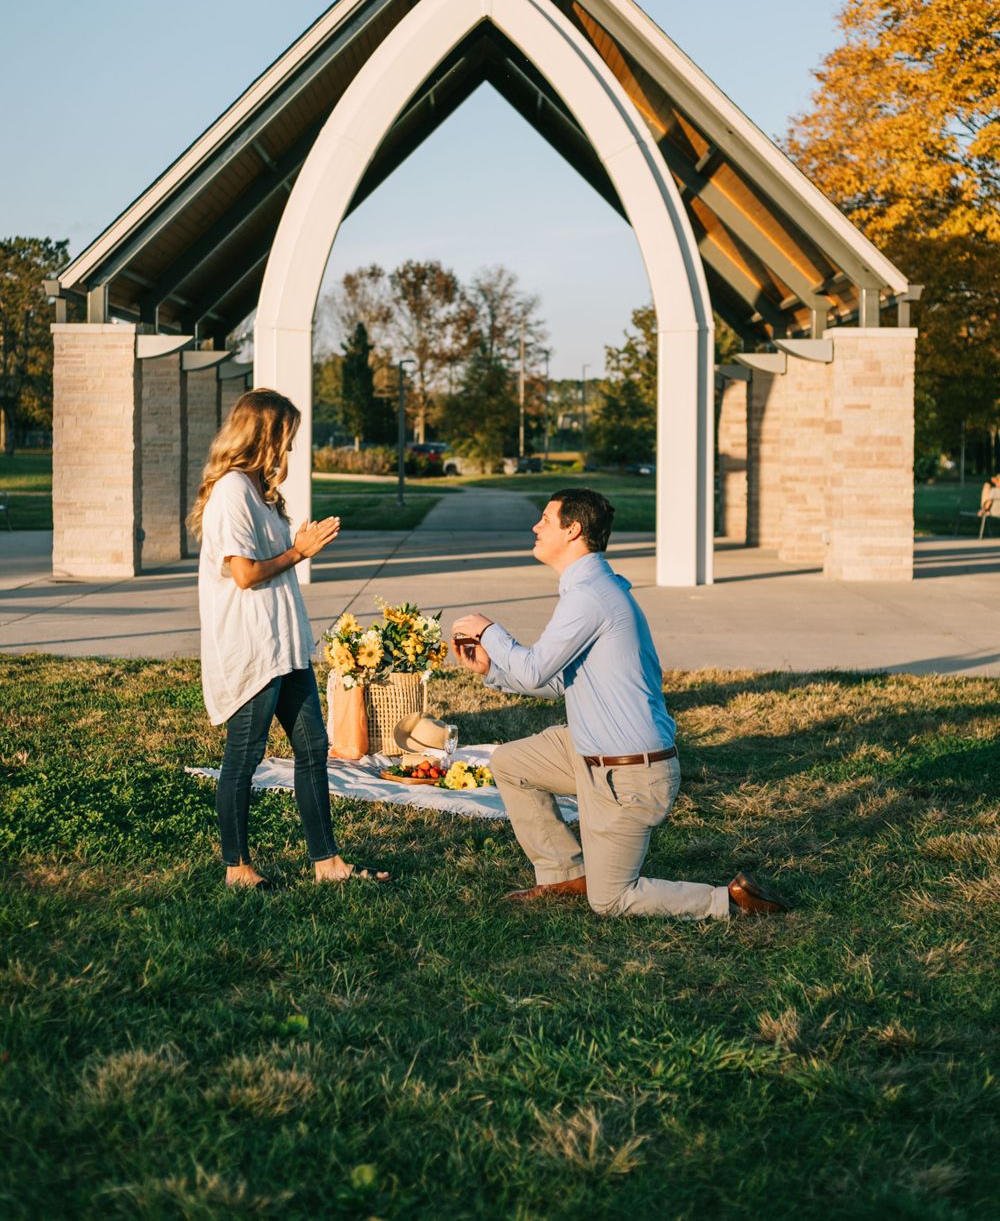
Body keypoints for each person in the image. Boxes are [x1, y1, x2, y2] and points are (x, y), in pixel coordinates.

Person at [452, 488, 787, 920]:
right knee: (512, 763)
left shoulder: (590, 596)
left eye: (545, 520)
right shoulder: (588, 589)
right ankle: (562, 875)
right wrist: (491, 671)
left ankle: (729, 900)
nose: (535, 527)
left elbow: (534, 669)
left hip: (630, 775)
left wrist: (489, 630)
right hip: (591, 752)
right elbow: (556, 681)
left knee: (610, 900)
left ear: (572, 530)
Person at [189, 387, 388, 890]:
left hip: (285, 645)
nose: (292, 449)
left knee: (313, 747)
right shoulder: (233, 490)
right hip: (253, 647)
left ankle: (328, 863)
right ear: (264, 436)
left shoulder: (260, 492)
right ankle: (237, 868)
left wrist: (297, 542)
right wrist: (299, 552)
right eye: (287, 437)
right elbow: (245, 574)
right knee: (245, 754)